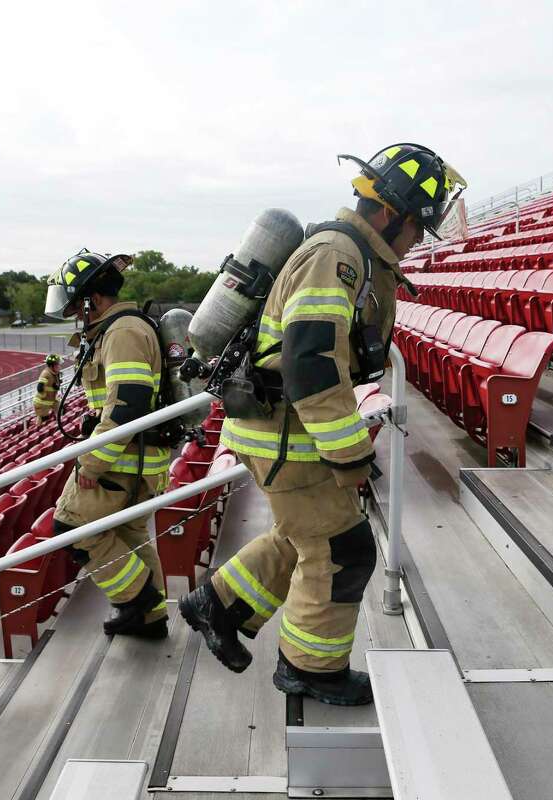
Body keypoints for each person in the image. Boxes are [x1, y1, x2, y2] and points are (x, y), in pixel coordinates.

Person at [180, 143, 461, 706]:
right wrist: (350, 454)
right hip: (287, 434)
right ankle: (310, 668)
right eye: (417, 229)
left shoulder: (347, 250)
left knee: (303, 536)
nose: (416, 243)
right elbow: (309, 362)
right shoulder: (337, 255)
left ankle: (217, 603)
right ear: (392, 213)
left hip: (280, 429)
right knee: (341, 550)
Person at [44, 250, 170, 638]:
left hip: (123, 460)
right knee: (130, 537)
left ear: (93, 298)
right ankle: (150, 620)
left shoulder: (123, 332)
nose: (72, 314)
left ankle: (139, 601)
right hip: (136, 457)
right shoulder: (116, 330)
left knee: (70, 526)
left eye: (75, 305)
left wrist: (93, 463)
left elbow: (128, 404)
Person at [34, 354, 61, 424]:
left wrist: (56, 386)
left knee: (60, 410)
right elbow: (39, 388)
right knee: (42, 420)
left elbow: (56, 385)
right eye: (57, 364)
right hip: (42, 402)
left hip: (52, 400)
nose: (59, 366)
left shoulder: (55, 373)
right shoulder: (45, 373)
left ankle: (60, 425)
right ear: (52, 366)